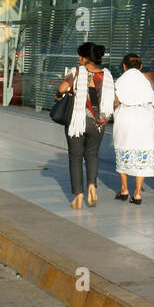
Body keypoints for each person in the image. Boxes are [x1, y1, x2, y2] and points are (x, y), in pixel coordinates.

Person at [56, 42, 114, 210]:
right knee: (92, 155)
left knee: (75, 157)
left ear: (84, 57)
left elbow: (61, 89)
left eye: (80, 56)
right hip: (98, 122)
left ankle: (78, 195)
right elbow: (114, 100)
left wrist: (70, 90)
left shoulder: (76, 72)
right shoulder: (107, 75)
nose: (79, 59)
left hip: (78, 121)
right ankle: (92, 186)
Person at [111, 54, 154, 204]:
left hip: (125, 116)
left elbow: (115, 101)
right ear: (140, 66)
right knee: (142, 150)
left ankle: (124, 189)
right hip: (144, 117)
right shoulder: (146, 80)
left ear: (124, 66)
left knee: (123, 148)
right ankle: (138, 193)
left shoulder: (120, 81)